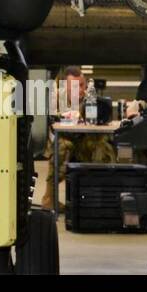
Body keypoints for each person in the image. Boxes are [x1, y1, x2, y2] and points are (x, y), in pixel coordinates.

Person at [40, 66, 115, 211]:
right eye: (75, 86)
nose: (81, 89)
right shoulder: (57, 100)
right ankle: (49, 198)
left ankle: (102, 199)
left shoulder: (92, 98)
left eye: (82, 85)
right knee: (61, 147)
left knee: (103, 148)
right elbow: (54, 128)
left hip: (88, 143)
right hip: (68, 142)